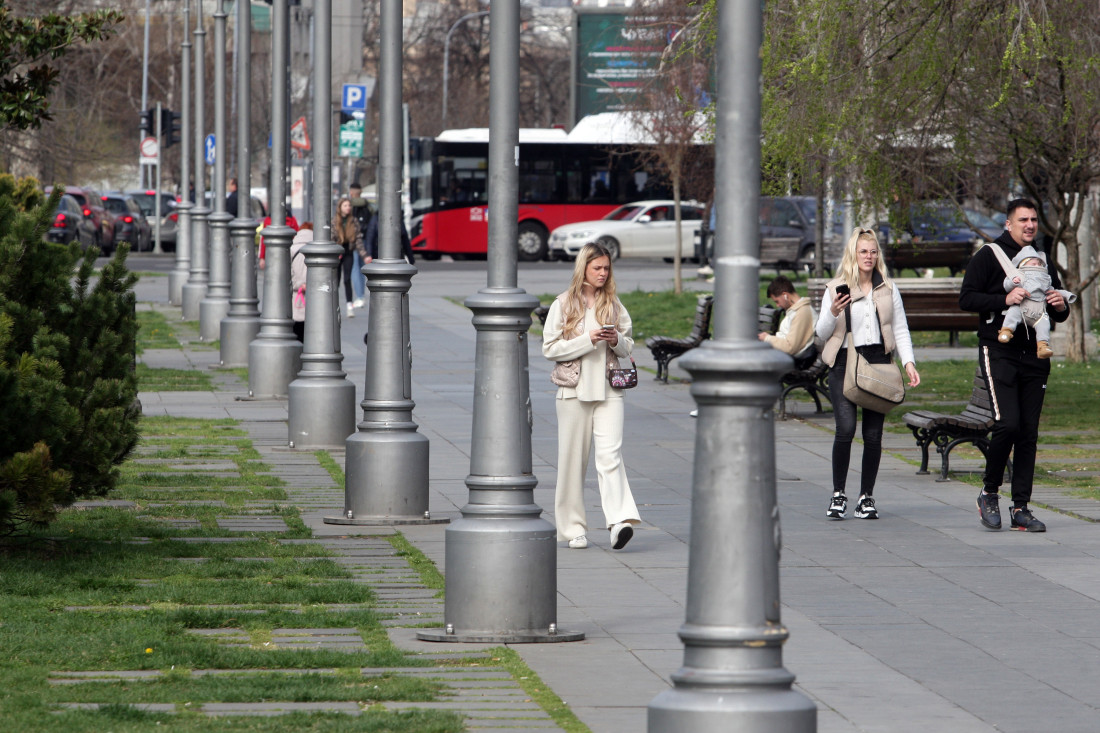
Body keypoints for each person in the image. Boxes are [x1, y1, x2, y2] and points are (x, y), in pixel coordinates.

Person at [960, 199, 1070, 533]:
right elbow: (966, 299)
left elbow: (1054, 311)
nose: (1030, 225)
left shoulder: (1042, 259)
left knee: (1028, 433)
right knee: (1007, 424)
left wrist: (1060, 304)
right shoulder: (990, 254)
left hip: (1034, 355)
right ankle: (989, 492)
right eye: (1023, 220)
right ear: (1009, 224)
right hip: (1000, 349)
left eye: (1034, 219)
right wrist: (1003, 300)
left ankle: (1021, 507)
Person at [815, 228, 920, 520]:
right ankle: (838, 495)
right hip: (844, 361)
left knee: (873, 435)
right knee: (845, 429)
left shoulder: (887, 287)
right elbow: (821, 333)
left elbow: (900, 328)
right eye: (863, 251)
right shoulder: (837, 287)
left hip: (878, 362)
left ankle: (866, 497)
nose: (869, 257)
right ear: (853, 253)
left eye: (873, 252)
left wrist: (909, 362)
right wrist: (833, 311)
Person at [542, 242, 641, 550]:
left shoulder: (612, 303)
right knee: (572, 462)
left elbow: (629, 345)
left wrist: (616, 340)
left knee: (611, 456)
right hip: (573, 392)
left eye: (606, 268)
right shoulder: (564, 303)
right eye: (597, 268)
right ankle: (573, 529)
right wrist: (587, 339)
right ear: (583, 268)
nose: (602, 273)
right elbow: (550, 348)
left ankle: (619, 522)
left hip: (609, 390)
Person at [997, 246, 1076, 359]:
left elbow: (1056, 290)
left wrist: (1065, 299)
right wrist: (1013, 284)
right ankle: (1006, 331)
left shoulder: (1046, 276)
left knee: (1044, 324)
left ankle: (1043, 346)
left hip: (1040, 312)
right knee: (1013, 313)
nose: (1037, 266)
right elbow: (1007, 285)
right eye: (1033, 264)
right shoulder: (1019, 274)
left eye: (1039, 264)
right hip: (1021, 309)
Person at [759, 275, 816, 366]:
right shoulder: (796, 311)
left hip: (792, 361)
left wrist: (767, 338)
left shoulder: (801, 313)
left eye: (777, 301)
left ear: (785, 295)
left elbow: (790, 347)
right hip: (783, 357)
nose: (777, 305)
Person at [333, 197, 367, 318]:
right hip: (336, 253)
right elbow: (331, 238)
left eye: (349, 206)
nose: (348, 208)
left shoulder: (353, 221)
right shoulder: (334, 221)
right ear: (340, 207)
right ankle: (333, 305)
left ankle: (349, 306)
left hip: (348, 252)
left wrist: (365, 256)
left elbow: (358, 240)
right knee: (335, 280)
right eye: (345, 206)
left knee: (347, 279)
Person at [348, 183, 374, 308]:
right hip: (365, 239)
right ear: (361, 191)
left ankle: (359, 296)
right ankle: (363, 294)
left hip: (353, 240)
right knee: (364, 267)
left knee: (355, 267)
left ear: (351, 192)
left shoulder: (349, 205)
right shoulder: (367, 205)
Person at [289, 223, 313, 343]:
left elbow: (287, 274)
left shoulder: (291, 249)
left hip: (296, 294)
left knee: (296, 328)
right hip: (311, 295)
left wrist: (298, 284)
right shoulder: (315, 249)